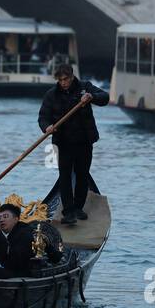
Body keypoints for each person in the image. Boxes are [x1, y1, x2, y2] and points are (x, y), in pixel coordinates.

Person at [38, 63, 108, 226]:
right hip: (62, 143)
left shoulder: (85, 87)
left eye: (66, 79)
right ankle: (68, 211)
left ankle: (78, 207)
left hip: (84, 141)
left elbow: (104, 97)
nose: (63, 82)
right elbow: (43, 117)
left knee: (83, 174)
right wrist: (47, 127)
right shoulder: (51, 95)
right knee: (64, 175)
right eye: (60, 80)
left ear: (71, 76)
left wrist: (92, 97)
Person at [0, 194, 63, 279]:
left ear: (16, 219)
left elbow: (13, 263)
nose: (2, 220)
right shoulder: (2, 233)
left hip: (21, 273)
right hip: (7, 268)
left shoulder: (24, 234)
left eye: (6, 216)